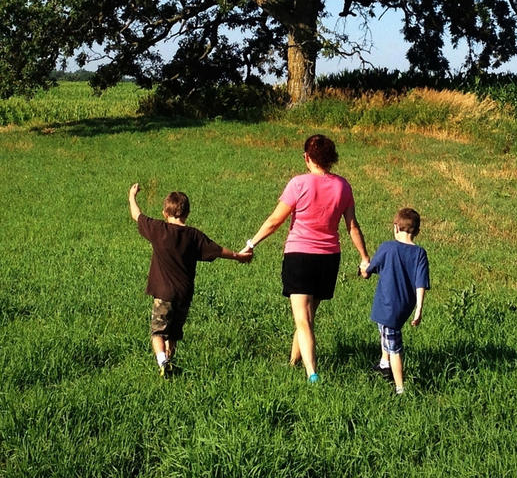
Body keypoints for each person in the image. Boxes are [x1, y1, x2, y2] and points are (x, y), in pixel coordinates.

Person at [244, 134, 369, 383]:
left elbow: (275, 221)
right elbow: (352, 226)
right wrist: (364, 257)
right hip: (328, 259)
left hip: (299, 257)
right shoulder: (343, 186)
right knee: (307, 318)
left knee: (303, 319)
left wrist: (251, 244)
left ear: (307, 157)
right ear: (331, 158)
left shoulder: (298, 184)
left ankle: (312, 374)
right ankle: (292, 363)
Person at [129, 182, 252, 376]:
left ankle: (162, 361)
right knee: (174, 333)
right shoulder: (194, 236)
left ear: (165, 213)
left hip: (163, 294)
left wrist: (132, 196)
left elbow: (137, 215)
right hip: (184, 295)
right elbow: (218, 251)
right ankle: (170, 363)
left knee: (158, 332)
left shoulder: (158, 229)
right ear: (187, 213)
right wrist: (238, 256)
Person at [360, 207, 430, 395]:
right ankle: (384, 364)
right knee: (385, 332)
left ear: (395, 227)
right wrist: (419, 308)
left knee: (395, 348)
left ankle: (400, 388)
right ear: (417, 231)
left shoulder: (387, 247)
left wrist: (364, 268)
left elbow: (369, 271)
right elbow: (421, 283)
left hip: (386, 305)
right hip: (404, 306)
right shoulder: (420, 253)